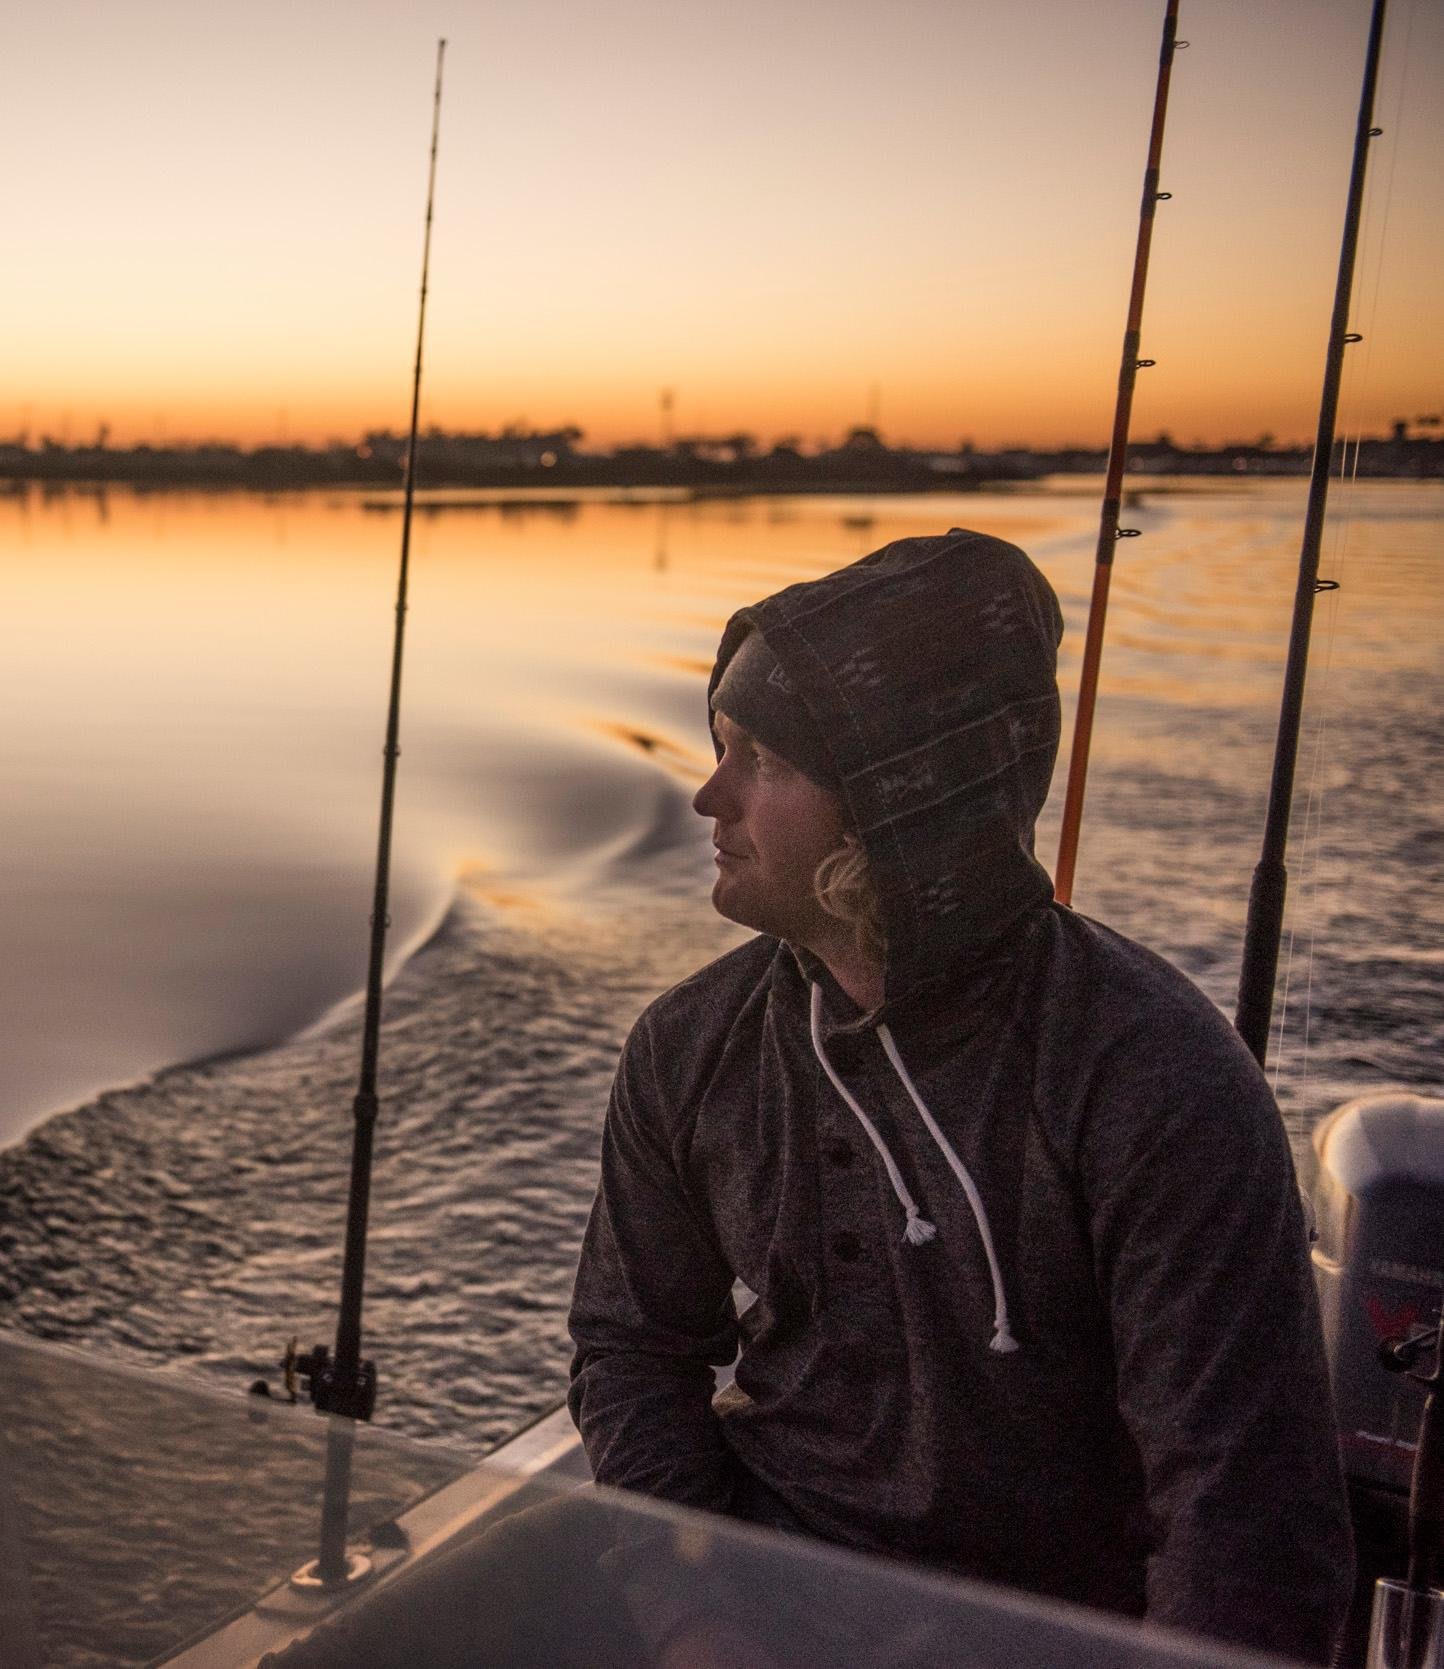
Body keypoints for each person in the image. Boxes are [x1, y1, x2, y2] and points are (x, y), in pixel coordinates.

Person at [567, 527, 1353, 1661]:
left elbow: (1242, 1511)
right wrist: (694, 1621)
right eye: (719, 747)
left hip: (1045, 1628)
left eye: (764, 762)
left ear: (892, 806)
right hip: (758, 1588)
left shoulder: (1151, 1078)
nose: (707, 797)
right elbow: (630, 1347)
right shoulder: (689, 1047)